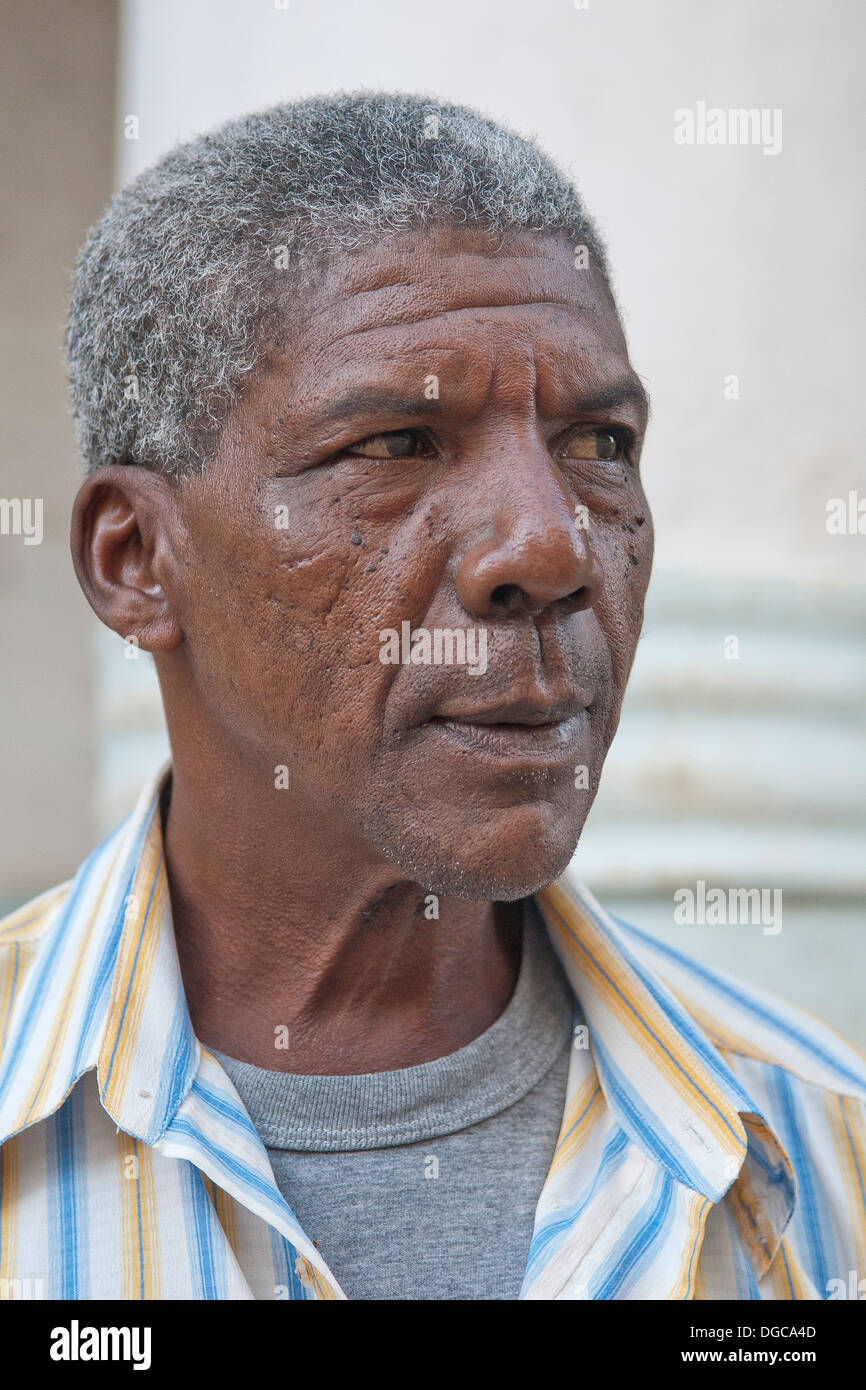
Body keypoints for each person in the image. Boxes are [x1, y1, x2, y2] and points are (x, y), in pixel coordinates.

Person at [0, 92, 863, 1301]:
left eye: (599, 442)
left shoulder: (819, 1155)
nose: (550, 547)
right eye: (397, 444)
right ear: (136, 560)